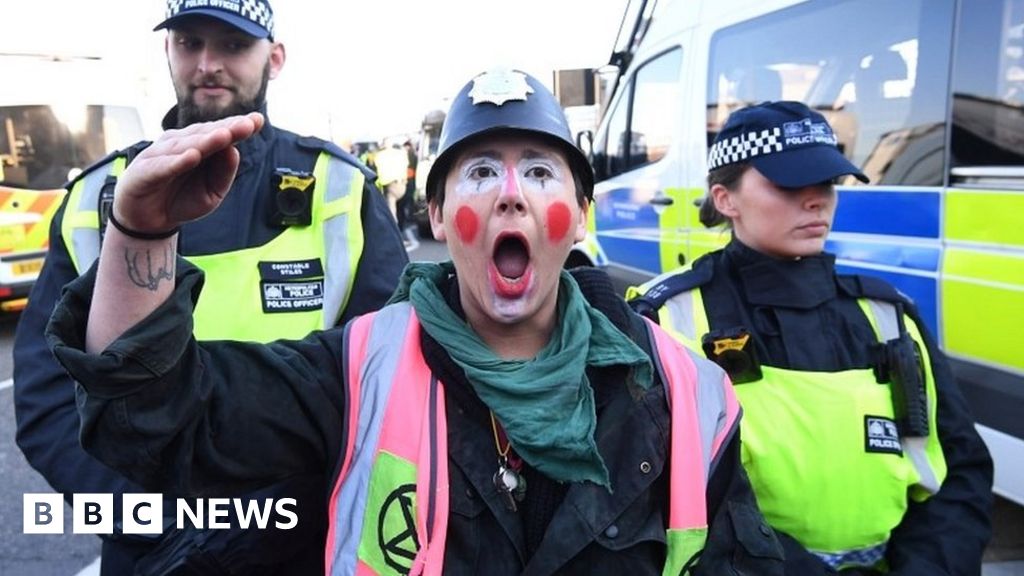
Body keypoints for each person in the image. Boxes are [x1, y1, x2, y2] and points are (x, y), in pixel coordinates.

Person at [47, 68, 788, 575]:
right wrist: (141, 231)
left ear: (579, 216)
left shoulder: (684, 393)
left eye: (539, 171)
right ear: (437, 216)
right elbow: (153, 417)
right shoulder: (354, 373)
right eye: (479, 172)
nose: (510, 194)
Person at [14, 1, 407, 574]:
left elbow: (390, 382)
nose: (207, 64)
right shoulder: (97, 196)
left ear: (274, 58)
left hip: (303, 546)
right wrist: (158, 522)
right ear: (167, 51)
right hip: (151, 555)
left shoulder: (340, 189)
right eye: (189, 42)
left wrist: (279, 516)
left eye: (233, 45)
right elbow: (45, 397)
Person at [627, 100, 993, 575]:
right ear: (725, 199)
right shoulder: (667, 319)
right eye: (789, 184)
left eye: (826, 182)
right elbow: (657, 494)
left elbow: (961, 468)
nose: (817, 199)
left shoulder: (888, 314)